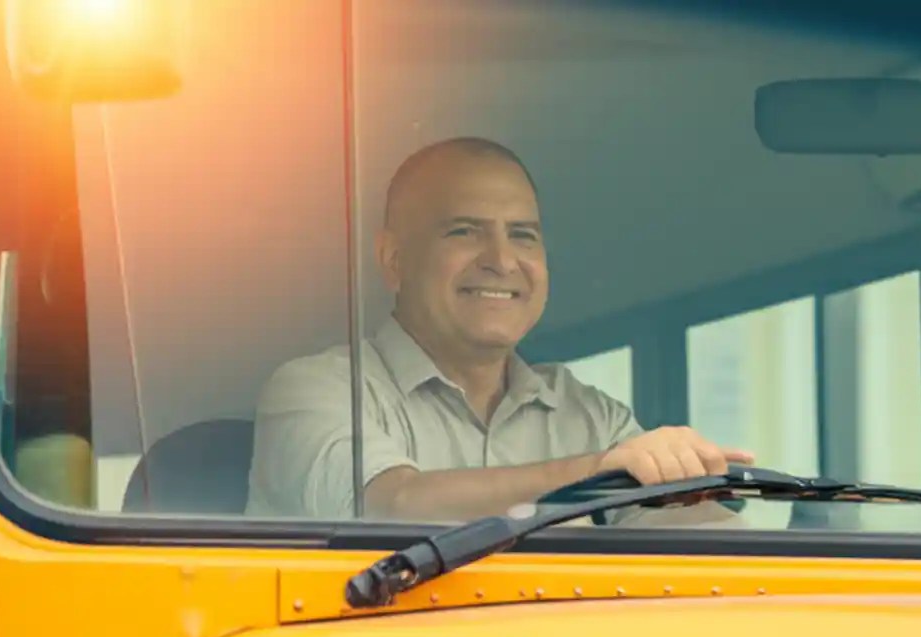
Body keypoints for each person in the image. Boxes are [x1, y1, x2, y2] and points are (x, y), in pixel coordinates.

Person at [246, 137, 753, 521]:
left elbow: (700, 547)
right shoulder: (318, 390)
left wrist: (692, 482)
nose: (502, 261)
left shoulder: (590, 417)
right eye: (464, 231)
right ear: (394, 259)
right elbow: (392, 505)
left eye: (522, 235)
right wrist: (595, 472)